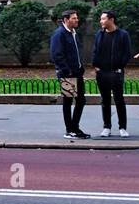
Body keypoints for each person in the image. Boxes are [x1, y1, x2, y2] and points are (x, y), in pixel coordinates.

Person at [91, 9, 131, 137]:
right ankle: (106, 127)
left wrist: (120, 65)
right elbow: (95, 51)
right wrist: (96, 66)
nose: (101, 21)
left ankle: (122, 127)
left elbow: (127, 53)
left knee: (119, 100)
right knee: (105, 100)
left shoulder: (123, 34)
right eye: (101, 19)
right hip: (102, 72)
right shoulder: (99, 34)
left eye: (103, 19)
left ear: (111, 19)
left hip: (116, 72)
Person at [50, 8, 89, 139]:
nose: (77, 20)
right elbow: (56, 55)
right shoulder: (60, 34)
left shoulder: (73, 32)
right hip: (67, 74)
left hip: (77, 73)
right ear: (66, 20)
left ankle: (74, 127)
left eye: (77, 18)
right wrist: (67, 71)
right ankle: (70, 129)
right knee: (68, 101)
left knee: (81, 101)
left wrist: (80, 67)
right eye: (74, 18)